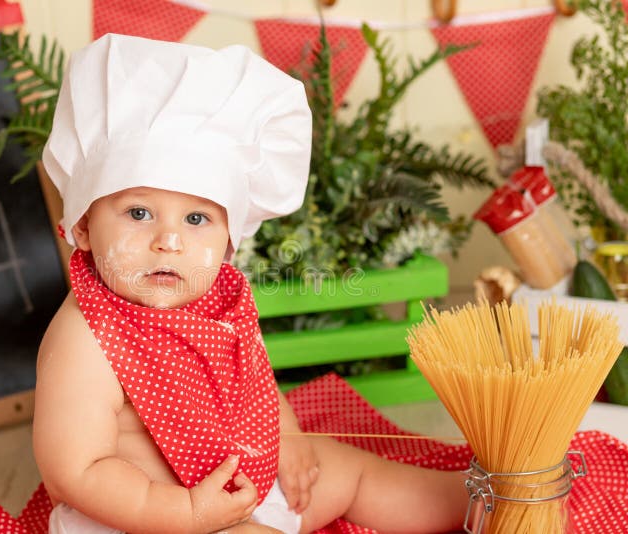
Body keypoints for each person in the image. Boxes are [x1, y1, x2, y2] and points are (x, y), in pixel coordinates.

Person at [33, 33, 470, 534]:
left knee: (344, 468)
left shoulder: (216, 300)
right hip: (141, 518)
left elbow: (248, 382)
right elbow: (76, 471)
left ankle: (481, 504)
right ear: (83, 226)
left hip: (237, 485)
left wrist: (286, 436)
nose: (169, 241)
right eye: (138, 212)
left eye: (196, 219)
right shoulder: (86, 337)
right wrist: (186, 513)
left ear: (229, 241)